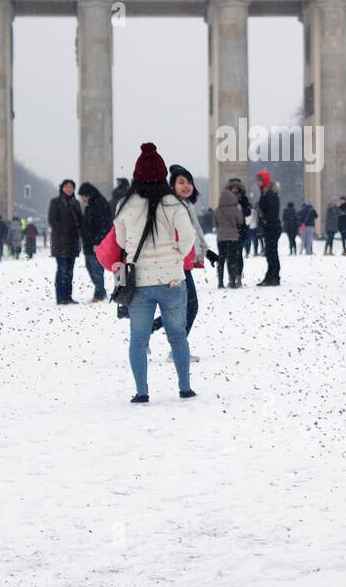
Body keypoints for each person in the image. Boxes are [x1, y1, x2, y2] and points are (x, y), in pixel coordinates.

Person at [97, 142, 196, 403]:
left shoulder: (125, 204)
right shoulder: (174, 204)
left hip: (140, 281)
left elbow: (119, 240)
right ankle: (184, 387)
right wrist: (175, 254)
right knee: (178, 335)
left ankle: (142, 391)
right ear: (163, 175)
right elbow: (188, 237)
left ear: (137, 175)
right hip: (172, 280)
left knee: (138, 339)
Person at [153, 164, 214, 338]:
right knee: (188, 306)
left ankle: (150, 329)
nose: (187, 186)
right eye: (181, 182)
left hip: (183, 263)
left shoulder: (185, 205)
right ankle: (176, 346)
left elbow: (194, 232)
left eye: (189, 182)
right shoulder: (171, 206)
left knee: (183, 306)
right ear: (172, 186)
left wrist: (206, 252)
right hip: (174, 263)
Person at [49, 179, 83, 304]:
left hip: (73, 242)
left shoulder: (76, 203)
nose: (69, 189)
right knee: (62, 270)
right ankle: (60, 297)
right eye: (66, 187)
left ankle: (68, 296)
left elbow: (80, 220)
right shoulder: (55, 202)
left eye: (71, 187)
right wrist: (64, 230)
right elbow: (52, 220)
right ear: (62, 188)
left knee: (70, 271)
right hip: (60, 242)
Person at [78, 182, 113, 300]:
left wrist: (98, 242)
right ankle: (100, 291)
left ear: (88, 195)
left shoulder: (100, 204)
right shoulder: (91, 205)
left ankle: (99, 293)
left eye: (82, 196)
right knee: (90, 267)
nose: (82, 199)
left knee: (96, 269)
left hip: (95, 244)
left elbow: (105, 225)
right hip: (89, 243)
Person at [214, 178, 246, 288]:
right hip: (233, 236)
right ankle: (232, 280)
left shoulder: (217, 209)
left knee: (221, 259)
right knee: (232, 259)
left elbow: (215, 224)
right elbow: (240, 221)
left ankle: (220, 282)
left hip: (221, 238)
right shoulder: (235, 208)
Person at [256, 170, 281, 286]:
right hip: (270, 227)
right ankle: (272, 275)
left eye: (259, 180)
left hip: (272, 227)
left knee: (271, 253)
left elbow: (273, 210)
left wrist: (266, 220)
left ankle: (273, 276)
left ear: (265, 181)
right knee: (271, 253)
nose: (257, 183)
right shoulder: (266, 193)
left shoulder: (269, 193)